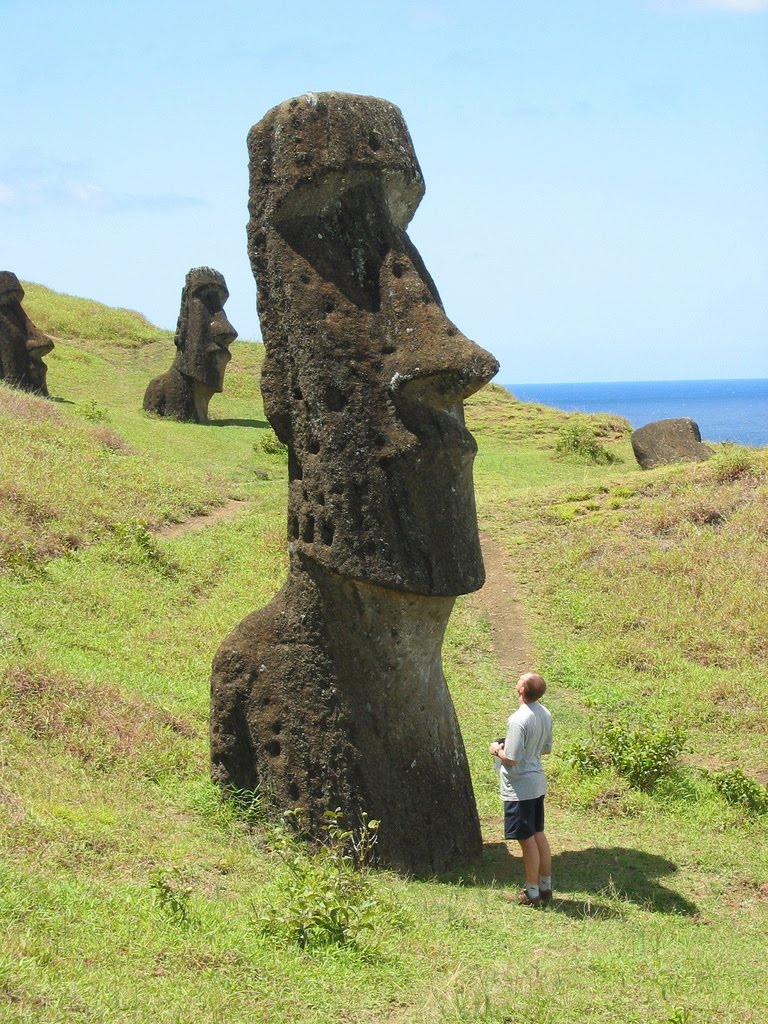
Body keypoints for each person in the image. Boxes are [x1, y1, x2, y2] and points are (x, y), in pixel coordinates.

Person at [490, 671, 553, 907]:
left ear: (522, 691)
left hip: (520, 787)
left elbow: (512, 759)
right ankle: (545, 888)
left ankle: (531, 893)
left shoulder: (518, 719)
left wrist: (496, 749)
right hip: (537, 782)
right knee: (538, 835)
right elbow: (546, 748)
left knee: (527, 841)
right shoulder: (545, 713)